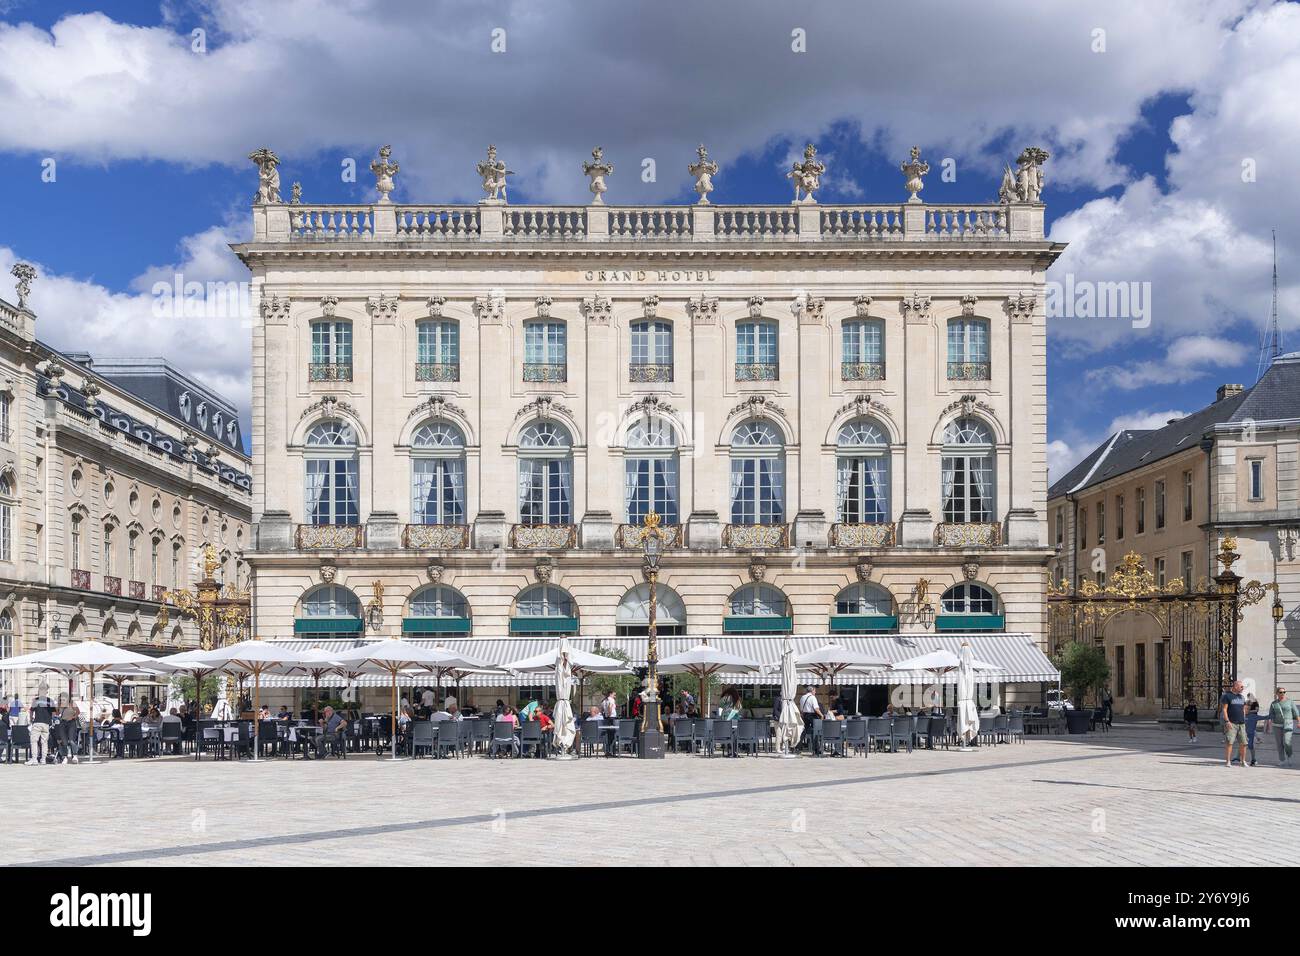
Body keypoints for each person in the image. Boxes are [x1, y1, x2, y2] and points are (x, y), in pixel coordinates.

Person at [1265, 686, 1298, 767]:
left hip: (1288, 725)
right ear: (1277, 693)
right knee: (1279, 743)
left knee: (1287, 742)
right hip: (1276, 725)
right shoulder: (1274, 703)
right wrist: (1268, 725)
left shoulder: (1290, 702)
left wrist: (1298, 722)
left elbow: (1296, 712)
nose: (1282, 693)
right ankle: (1282, 760)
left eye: (1284, 692)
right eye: (1280, 692)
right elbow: (1271, 715)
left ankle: (1289, 756)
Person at [1220, 679, 1249, 768]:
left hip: (1241, 723)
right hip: (1231, 723)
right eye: (1241, 687)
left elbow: (1243, 708)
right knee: (1230, 742)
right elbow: (1224, 709)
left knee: (1244, 743)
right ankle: (1228, 761)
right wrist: (1227, 721)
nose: (1243, 688)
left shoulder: (1242, 697)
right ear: (1235, 686)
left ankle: (1243, 761)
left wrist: (1244, 717)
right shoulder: (1227, 696)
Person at [28, 681, 56, 765]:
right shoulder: (50, 701)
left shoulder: (36, 700)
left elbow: (31, 711)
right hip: (46, 724)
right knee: (44, 742)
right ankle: (43, 759)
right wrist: (51, 720)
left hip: (37, 722)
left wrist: (31, 720)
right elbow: (54, 713)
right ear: (46, 691)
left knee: (34, 741)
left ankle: (34, 759)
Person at [55, 693, 81, 765]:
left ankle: (75, 755)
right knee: (64, 741)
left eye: (63, 698)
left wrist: (73, 717)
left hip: (71, 723)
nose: (62, 700)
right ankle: (65, 757)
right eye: (61, 698)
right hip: (62, 723)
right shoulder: (59, 705)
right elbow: (56, 714)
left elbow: (78, 712)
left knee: (72, 740)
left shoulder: (72, 703)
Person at [798, 685, 822, 754]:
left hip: (805, 715)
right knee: (815, 731)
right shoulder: (812, 697)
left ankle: (798, 746)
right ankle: (816, 749)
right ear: (811, 691)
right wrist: (821, 715)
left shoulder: (802, 697)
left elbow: (801, 709)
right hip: (812, 715)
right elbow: (816, 709)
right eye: (814, 691)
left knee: (805, 731)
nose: (815, 692)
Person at [1244, 701, 1261, 767]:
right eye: (1245, 708)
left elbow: (1257, 710)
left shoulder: (1256, 703)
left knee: (1250, 745)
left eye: (1248, 709)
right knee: (1243, 744)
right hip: (1243, 730)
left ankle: (1253, 759)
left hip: (1249, 731)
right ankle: (1241, 759)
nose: (1246, 710)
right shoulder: (1243, 712)